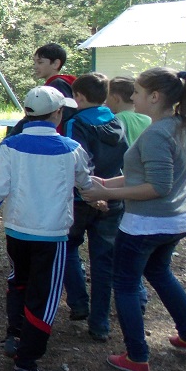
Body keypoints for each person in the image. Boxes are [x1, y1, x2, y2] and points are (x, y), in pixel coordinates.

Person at [81, 68, 186, 371]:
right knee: (159, 272)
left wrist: (107, 192)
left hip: (149, 224)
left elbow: (158, 186)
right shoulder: (180, 125)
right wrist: (108, 181)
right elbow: (145, 175)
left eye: (138, 92)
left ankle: (137, 356)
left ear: (155, 97)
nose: (132, 97)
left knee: (127, 285)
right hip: (176, 219)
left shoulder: (158, 133)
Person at [0, 86, 93, 371]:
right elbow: (86, 183)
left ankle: (15, 335)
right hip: (51, 235)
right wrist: (100, 196)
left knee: (19, 282)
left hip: (17, 230)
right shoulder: (70, 148)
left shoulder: (11, 146)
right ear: (58, 114)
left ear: (27, 113)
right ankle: (26, 363)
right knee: (45, 296)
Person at [61, 73, 128, 341]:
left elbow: (75, 161)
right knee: (104, 262)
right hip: (113, 196)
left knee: (66, 248)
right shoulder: (117, 121)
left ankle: (78, 302)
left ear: (78, 97)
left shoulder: (75, 123)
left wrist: (89, 193)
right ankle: (100, 323)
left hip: (82, 199)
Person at [9, 43, 77, 135]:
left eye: (40, 62)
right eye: (35, 62)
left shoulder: (56, 85)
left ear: (56, 64)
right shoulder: (66, 82)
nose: (35, 66)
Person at [107, 76, 152, 146]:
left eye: (107, 97)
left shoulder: (115, 120)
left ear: (115, 98)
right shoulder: (148, 119)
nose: (105, 102)